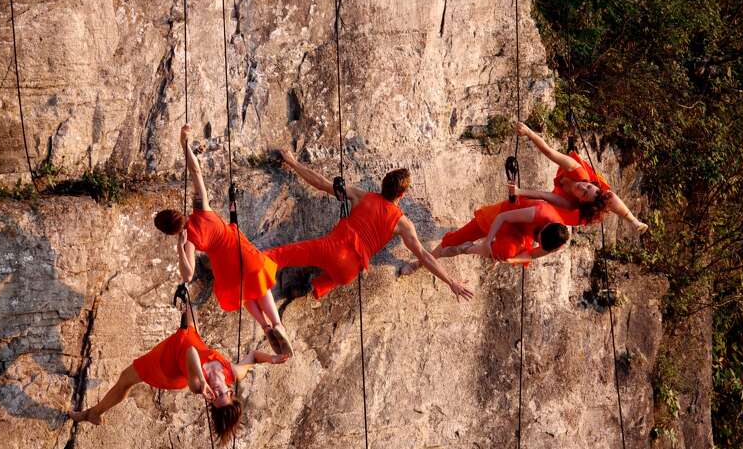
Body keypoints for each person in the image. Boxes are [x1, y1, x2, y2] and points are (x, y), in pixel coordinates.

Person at [153, 124, 292, 357]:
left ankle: (265, 326)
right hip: (239, 250)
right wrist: (184, 144)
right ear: (176, 211)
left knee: (245, 292)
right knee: (259, 283)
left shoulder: (188, 240)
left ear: (170, 231)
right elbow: (196, 173)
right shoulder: (201, 209)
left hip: (225, 270)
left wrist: (180, 247)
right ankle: (277, 324)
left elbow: (187, 276)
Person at [268, 148, 473, 302]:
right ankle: (310, 287)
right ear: (402, 195)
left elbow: (321, 183)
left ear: (382, 184)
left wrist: (292, 162)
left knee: (281, 255)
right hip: (348, 271)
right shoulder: (403, 224)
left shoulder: (361, 195)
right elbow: (425, 255)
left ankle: (253, 264)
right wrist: (451, 282)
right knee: (332, 277)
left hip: (332, 250)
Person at [68, 305, 285, 443]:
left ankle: (92, 413)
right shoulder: (232, 373)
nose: (218, 392)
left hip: (166, 364)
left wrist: (202, 380)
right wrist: (273, 359)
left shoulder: (198, 386)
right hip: (188, 339)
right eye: (223, 395)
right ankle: (186, 307)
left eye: (216, 398)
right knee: (191, 308)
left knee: (125, 380)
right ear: (230, 392)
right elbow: (254, 356)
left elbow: (191, 354)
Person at [510, 122, 648, 232]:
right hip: (581, 174)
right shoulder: (577, 172)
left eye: (583, 193)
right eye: (588, 187)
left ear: (581, 200)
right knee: (608, 196)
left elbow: (544, 196)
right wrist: (529, 132)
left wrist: (519, 191)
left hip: (578, 211)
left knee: (543, 212)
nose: (582, 187)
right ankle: (633, 221)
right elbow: (549, 152)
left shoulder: (570, 204)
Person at [401, 196, 569, 273]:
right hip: (504, 216)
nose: (537, 241)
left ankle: (467, 249)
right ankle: (420, 262)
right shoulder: (539, 212)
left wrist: (507, 259)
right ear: (547, 225)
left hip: (519, 235)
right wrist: (487, 243)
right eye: (538, 237)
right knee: (454, 240)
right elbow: (502, 217)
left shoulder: (553, 243)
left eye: (538, 242)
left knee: (506, 252)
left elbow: (530, 255)